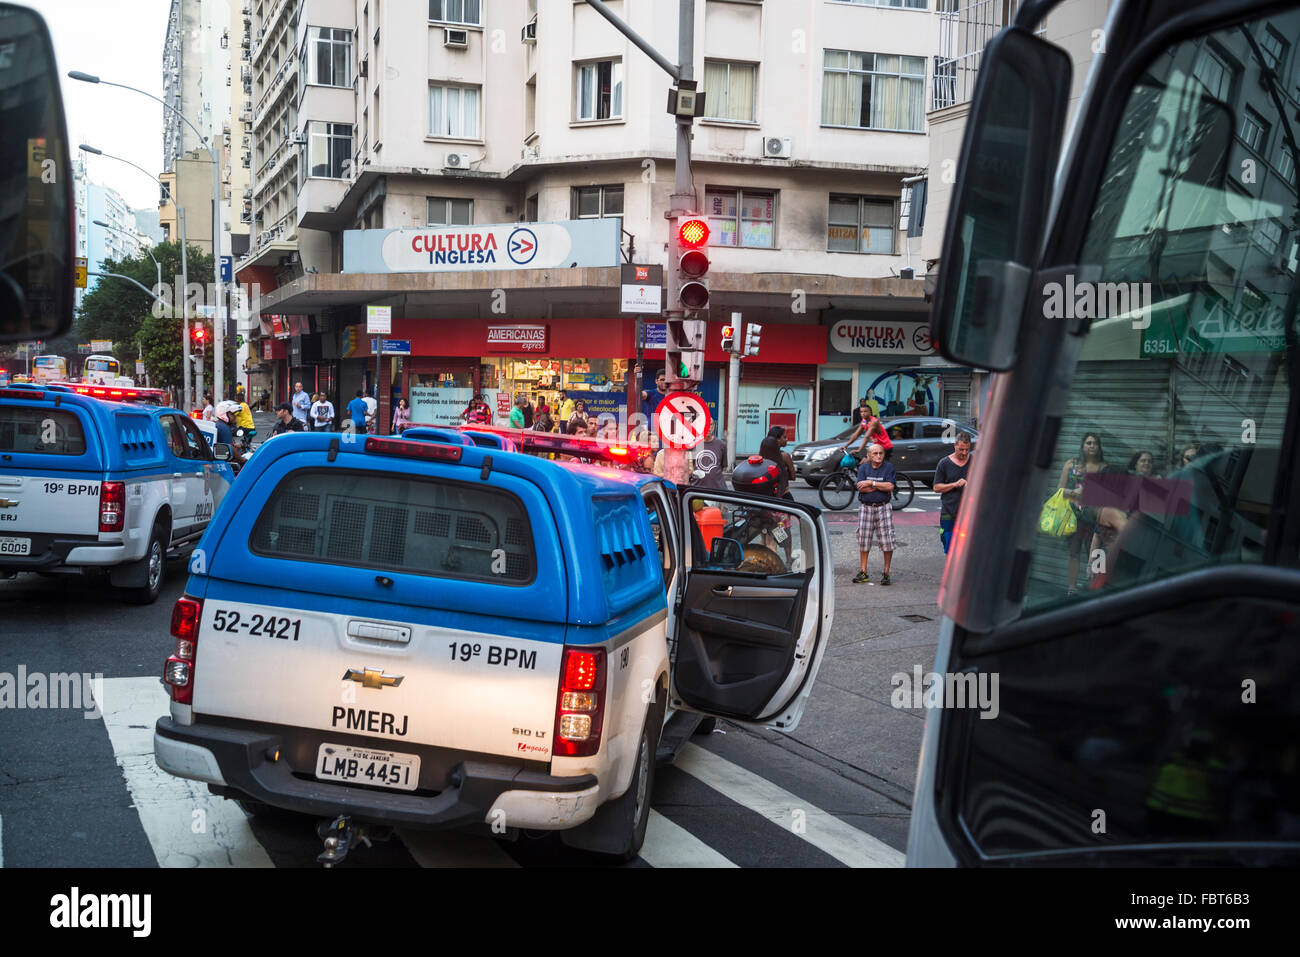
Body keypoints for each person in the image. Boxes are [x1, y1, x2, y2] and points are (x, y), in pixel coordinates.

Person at [1058, 431, 1109, 595]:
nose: (1092, 446)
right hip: (1075, 516)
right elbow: (1060, 491)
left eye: (1095, 443)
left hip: (1096, 517)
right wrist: (1075, 494)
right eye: (1089, 443)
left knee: (1097, 552)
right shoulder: (1071, 465)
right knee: (1074, 552)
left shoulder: (1105, 468)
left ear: (1100, 447)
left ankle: (1096, 588)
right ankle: (1071, 588)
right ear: (1082, 446)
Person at [854, 443, 897, 585]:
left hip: (883, 507)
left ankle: (886, 573)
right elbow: (861, 488)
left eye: (881, 453)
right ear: (868, 455)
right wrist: (880, 487)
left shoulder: (888, 467)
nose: (878, 456)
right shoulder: (863, 468)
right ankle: (863, 571)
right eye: (875, 454)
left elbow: (890, 487)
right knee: (863, 540)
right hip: (866, 507)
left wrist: (871, 483)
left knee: (887, 541)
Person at [933, 431, 973, 555]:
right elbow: (936, 487)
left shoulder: (975, 461)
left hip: (970, 513)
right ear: (955, 445)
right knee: (949, 548)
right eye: (961, 449)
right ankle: (951, 573)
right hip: (949, 512)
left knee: (968, 550)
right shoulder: (944, 463)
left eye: (967, 450)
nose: (964, 453)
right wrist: (954, 484)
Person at [759, 426, 797, 500]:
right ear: (777, 439)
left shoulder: (761, 456)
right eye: (784, 437)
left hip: (765, 495)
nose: (787, 440)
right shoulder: (785, 456)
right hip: (783, 494)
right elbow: (793, 477)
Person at [691, 423, 727, 489]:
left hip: (717, 490)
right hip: (697, 490)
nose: (708, 427)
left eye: (710, 424)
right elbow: (691, 466)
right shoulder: (695, 444)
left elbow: (722, 466)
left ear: (713, 426)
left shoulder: (721, 445)